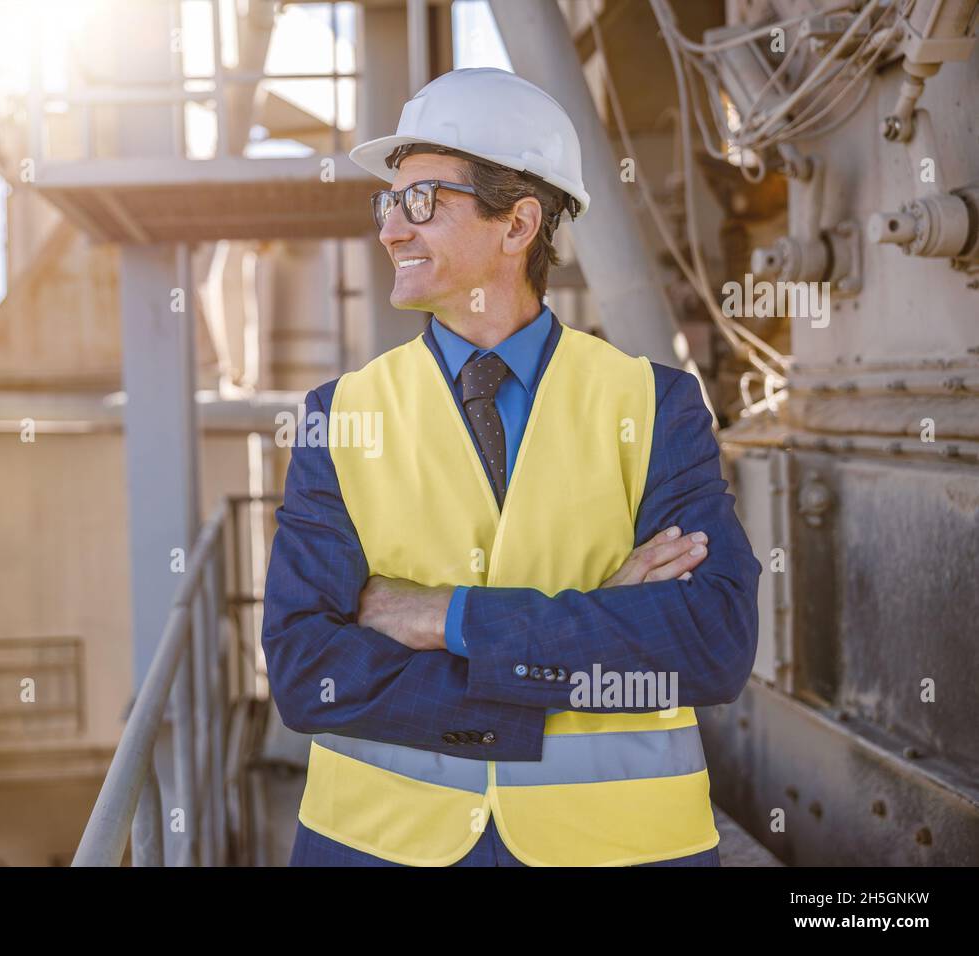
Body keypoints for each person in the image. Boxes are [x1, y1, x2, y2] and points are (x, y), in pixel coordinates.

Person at [261, 67, 762, 867]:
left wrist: (444, 617)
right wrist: (575, 649)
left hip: (625, 851)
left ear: (518, 223)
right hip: (376, 846)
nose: (391, 229)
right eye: (387, 203)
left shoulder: (654, 404)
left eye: (420, 200)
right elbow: (306, 671)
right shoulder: (339, 414)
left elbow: (710, 643)